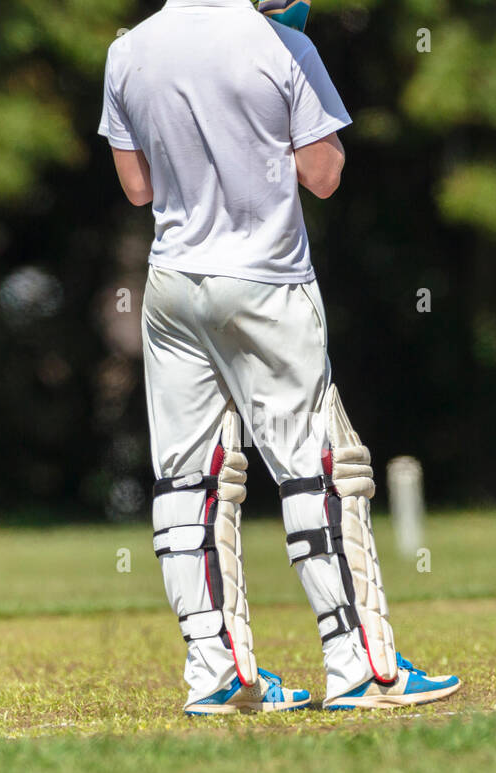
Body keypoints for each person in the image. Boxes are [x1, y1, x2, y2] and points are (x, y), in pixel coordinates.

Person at [98, 0, 461, 714]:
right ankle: (363, 667)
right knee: (318, 467)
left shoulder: (127, 51)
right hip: (267, 281)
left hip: (173, 284)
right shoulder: (282, 45)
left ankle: (216, 673)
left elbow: (138, 188)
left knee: (187, 481)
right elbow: (322, 173)